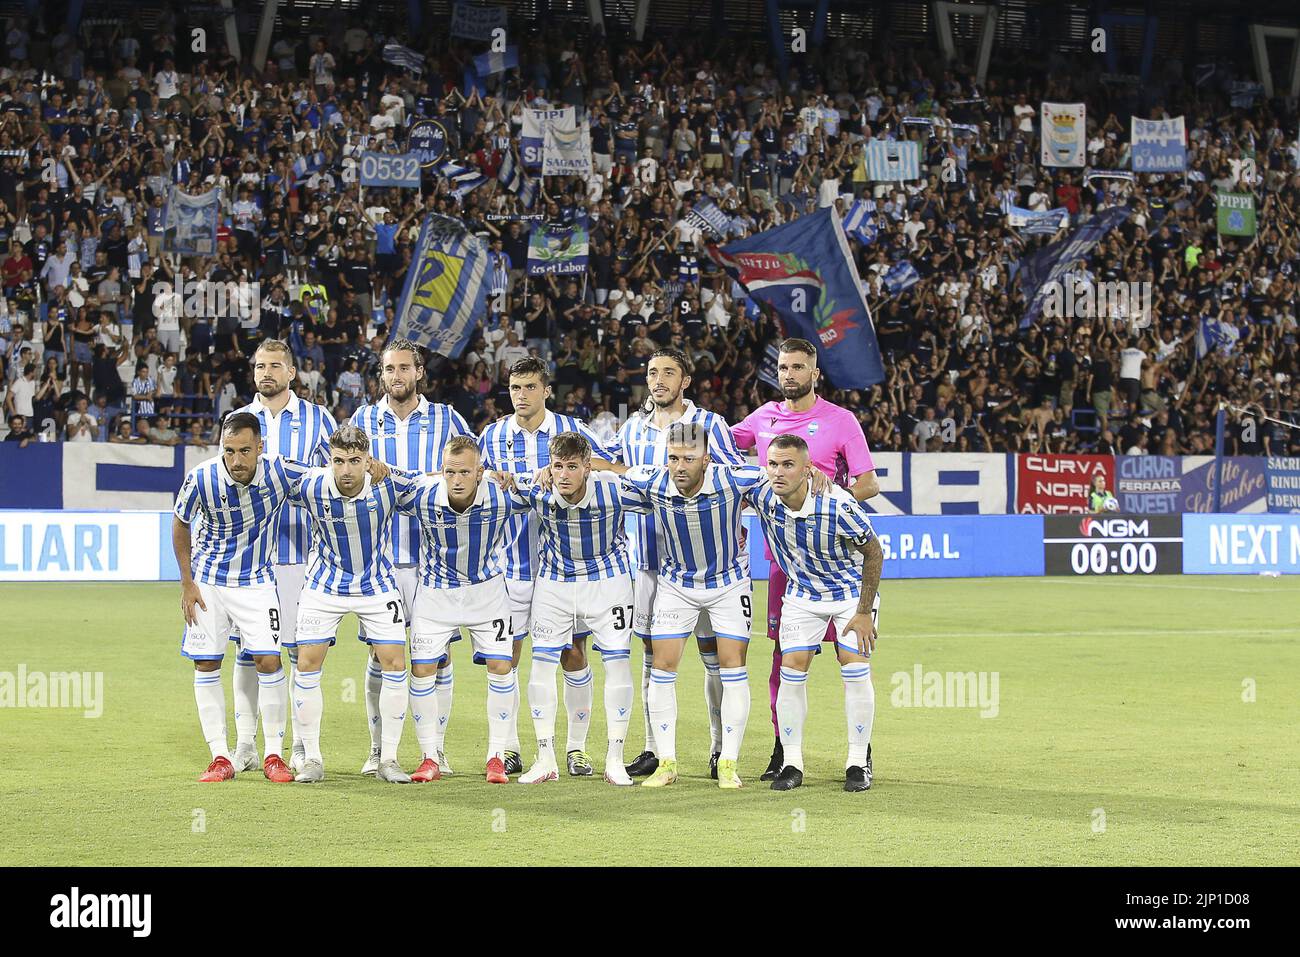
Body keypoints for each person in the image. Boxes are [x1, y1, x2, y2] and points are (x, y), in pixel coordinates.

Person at [730, 338, 880, 780]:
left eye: (798, 367)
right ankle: (785, 751)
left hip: (838, 560)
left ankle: (859, 753)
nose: (789, 374)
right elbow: (719, 447)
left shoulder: (840, 420)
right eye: (783, 367)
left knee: (852, 661)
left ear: (815, 373)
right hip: (786, 564)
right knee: (785, 657)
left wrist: (824, 508)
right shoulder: (762, 418)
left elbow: (868, 485)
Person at [600, 347, 745, 780]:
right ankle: (652, 749)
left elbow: (735, 480)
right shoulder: (632, 428)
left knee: (714, 655)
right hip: (645, 559)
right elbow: (612, 470)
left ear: (685, 381)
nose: (659, 380)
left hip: (704, 561)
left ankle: (720, 749)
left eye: (668, 373)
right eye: (652, 373)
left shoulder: (711, 425)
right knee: (652, 653)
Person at [477, 356, 616, 776]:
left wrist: (555, 472)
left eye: (530, 388)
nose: (521, 396)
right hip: (513, 565)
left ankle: (575, 748)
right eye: (515, 388)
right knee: (511, 655)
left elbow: (610, 467)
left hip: (564, 568)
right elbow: (473, 477)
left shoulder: (572, 434)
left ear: (546, 390)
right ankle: (513, 746)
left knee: (572, 654)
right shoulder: (492, 435)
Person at [615, 421, 768, 789]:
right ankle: (666, 762)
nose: (680, 466)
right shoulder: (653, 481)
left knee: (732, 670)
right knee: (662, 669)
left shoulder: (733, 480)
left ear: (707, 459)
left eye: (689, 458)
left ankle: (728, 760)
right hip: (677, 586)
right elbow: (605, 476)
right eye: (673, 458)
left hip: (728, 585)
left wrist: (815, 475)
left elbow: (780, 473)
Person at [350, 339, 472, 775]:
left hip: (434, 561)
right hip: (379, 560)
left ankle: (433, 749)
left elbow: (472, 471)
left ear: (420, 372)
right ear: (380, 375)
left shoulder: (446, 419)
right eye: (389, 369)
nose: (397, 376)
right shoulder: (363, 419)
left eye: (405, 368)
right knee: (379, 656)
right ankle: (379, 749)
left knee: (436, 656)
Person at [171, 413, 311, 783]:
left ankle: (274, 756)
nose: (236, 460)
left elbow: (322, 478)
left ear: (260, 448)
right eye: (229, 451)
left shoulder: (280, 472)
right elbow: (180, 522)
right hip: (208, 584)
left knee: (269, 660)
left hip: (257, 582)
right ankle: (220, 756)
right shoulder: (201, 477)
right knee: (206, 665)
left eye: (244, 451)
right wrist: (187, 583)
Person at [498, 432, 636, 786]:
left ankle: (615, 759)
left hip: (608, 584)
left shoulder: (615, 490)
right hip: (555, 585)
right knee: (541, 664)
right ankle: (545, 758)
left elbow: (661, 486)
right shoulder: (539, 490)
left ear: (588, 468)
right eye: (557, 466)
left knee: (617, 662)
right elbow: (495, 485)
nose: (563, 475)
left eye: (572, 467)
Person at [747, 434, 882, 792]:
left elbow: (874, 552)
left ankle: (857, 761)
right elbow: (717, 472)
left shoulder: (836, 504)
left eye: (788, 465)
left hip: (849, 594)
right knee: (791, 667)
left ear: (808, 469)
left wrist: (865, 611)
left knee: (854, 666)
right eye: (773, 464)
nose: (778, 472)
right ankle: (792, 762)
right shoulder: (762, 493)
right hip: (802, 594)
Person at [228, 340, 337, 774]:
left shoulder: (318, 419)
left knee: (297, 654)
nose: (266, 373)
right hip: (249, 559)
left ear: (292, 372)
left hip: (298, 555)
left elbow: (335, 481)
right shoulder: (239, 421)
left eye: (275, 366)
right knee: (248, 653)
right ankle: (246, 744)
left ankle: (299, 746)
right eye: (260, 366)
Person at [395, 436, 526, 784]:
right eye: (449, 472)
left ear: (480, 472)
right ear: (441, 471)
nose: (456, 480)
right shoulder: (422, 493)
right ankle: (430, 756)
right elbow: (384, 480)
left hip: (488, 594)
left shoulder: (502, 495)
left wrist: (533, 476)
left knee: (501, 666)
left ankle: (496, 757)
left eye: (464, 472)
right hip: (436, 595)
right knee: (422, 669)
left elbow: (545, 486)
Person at [285, 425, 411, 784]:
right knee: (307, 664)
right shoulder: (311, 484)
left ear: (367, 460)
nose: (346, 470)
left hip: (376, 585)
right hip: (323, 585)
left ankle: (387, 758)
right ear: (329, 459)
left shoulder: (388, 485)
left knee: (395, 664)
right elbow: (269, 468)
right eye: (339, 461)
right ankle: (311, 758)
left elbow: (433, 482)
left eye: (355, 461)